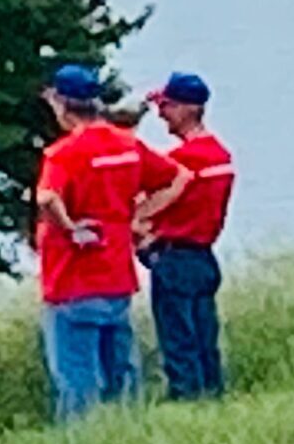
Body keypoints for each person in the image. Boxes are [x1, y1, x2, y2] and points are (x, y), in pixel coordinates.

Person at [36, 63, 189, 423]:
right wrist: (136, 218)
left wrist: (70, 227)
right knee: (121, 372)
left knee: (77, 379)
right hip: (117, 275)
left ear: (61, 103)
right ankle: (128, 437)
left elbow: (47, 198)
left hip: (71, 279)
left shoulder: (63, 154)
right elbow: (177, 177)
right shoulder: (126, 145)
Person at [137, 71, 235, 401]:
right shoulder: (221, 156)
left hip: (174, 256)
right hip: (204, 256)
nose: (160, 113)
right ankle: (213, 392)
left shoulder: (180, 161)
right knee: (205, 333)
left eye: (166, 105)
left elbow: (141, 195)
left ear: (187, 109)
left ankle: (186, 397)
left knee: (178, 338)